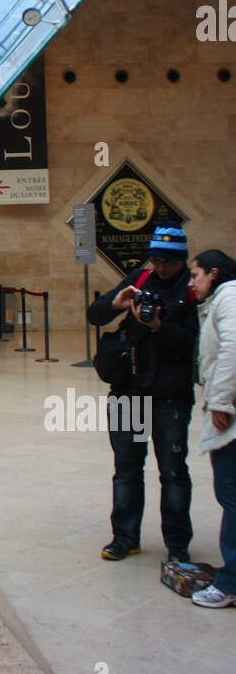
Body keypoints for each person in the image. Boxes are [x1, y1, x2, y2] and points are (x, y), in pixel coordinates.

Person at [87, 225, 198, 562]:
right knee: (126, 468)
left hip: (170, 396)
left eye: (168, 262)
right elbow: (93, 316)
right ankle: (125, 537)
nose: (161, 267)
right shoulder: (140, 278)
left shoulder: (192, 292)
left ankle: (177, 545)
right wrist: (115, 304)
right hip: (128, 391)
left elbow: (194, 345)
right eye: (156, 259)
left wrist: (160, 327)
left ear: (181, 261)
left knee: (174, 471)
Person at [189, 249, 236, 607]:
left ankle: (231, 583)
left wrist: (220, 401)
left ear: (214, 273)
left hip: (230, 413)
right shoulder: (223, 299)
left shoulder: (230, 298)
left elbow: (233, 350)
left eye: (196, 275)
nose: (192, 283)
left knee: (231, 494)